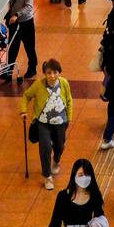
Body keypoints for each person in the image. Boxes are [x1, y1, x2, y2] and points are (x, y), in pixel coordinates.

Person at [20, 59, 73, 190]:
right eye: (49, 73)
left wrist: (69, 118)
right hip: (43, 123)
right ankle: (47, 176)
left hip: (61, 122)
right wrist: (23, 111)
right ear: (44, 73)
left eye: (55, 72)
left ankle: (56, 160)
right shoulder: (38, 85)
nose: (52, 76)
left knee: (59, 146)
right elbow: (26, 96)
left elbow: (69, 100)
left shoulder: (64, 83)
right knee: (45, 148)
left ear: (59, 72)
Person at [6, 0, 38, 83]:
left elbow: (29, 6)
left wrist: (16, 14)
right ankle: (9, 72)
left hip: (26, 22)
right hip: (14, 23)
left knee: (29, 46)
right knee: (13, 47)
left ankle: (32, 68)